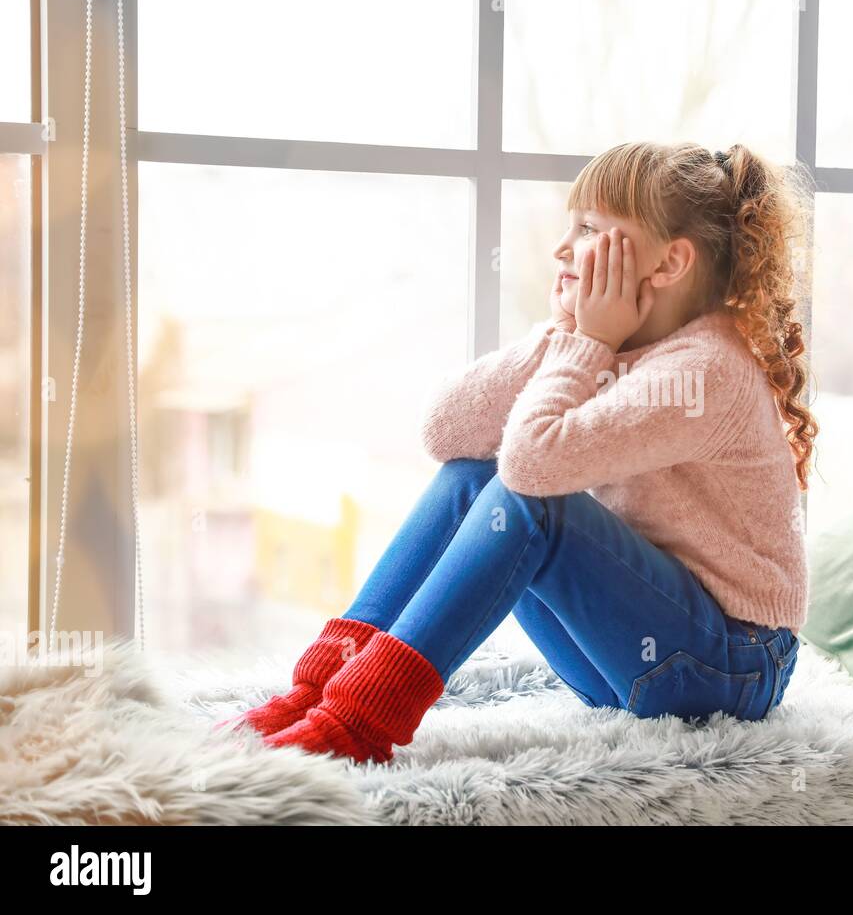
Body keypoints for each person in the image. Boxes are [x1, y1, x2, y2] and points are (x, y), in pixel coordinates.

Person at [220, 141, 818, 764]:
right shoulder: (616, 345)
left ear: (669, 264)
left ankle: (361, 721)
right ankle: (321, 688)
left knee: (531, 503)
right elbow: (447, 433)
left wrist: (586, 341)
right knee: (476, 477)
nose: (562, 249)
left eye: (588, 229)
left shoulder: (706, 371)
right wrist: (568, 337)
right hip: (632, 659)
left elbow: (533, 468)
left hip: (733, 666)